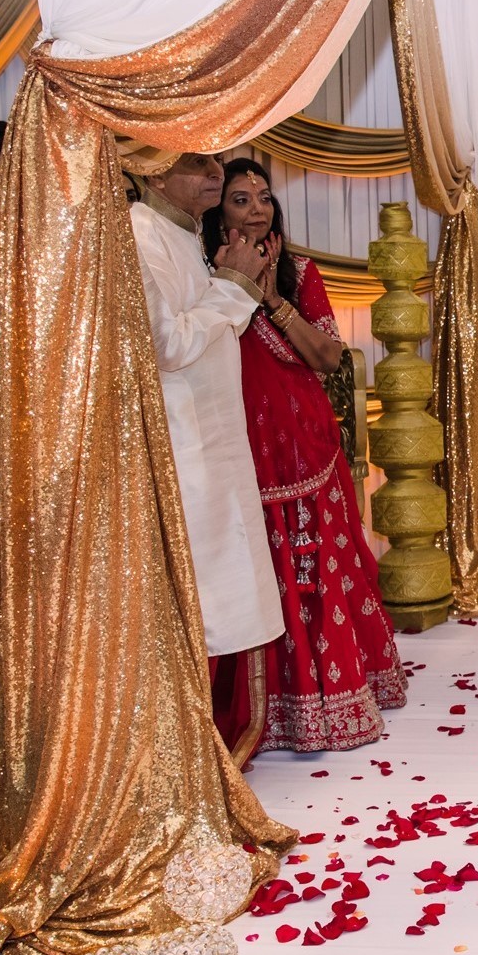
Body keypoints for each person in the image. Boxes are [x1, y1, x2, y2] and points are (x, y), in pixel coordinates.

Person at [199, 159, 403, 757]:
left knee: (319, 570)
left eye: (263, 197)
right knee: (257, 570)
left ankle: (329, 696)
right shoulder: (203, 275)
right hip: (240, 447)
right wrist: (233, 288)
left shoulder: (298, 271)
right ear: (218, 212)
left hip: (303, 440)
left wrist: (273, 302)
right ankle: (263, 705)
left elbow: (329, 358)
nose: (257, 209)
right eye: (240, 199)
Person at [129, 153, 283, 687]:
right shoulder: (140, 235)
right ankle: (194, 737)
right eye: (196, 163)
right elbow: (166, 344)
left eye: (215, 160)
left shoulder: (185, 231)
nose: (215, 172)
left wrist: (231, 284)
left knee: (224, 581)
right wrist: (235, 285)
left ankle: (222, 732)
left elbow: (208, 329)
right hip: (182, 443)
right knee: (204, 593)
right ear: (152, 171)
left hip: (212, 434)